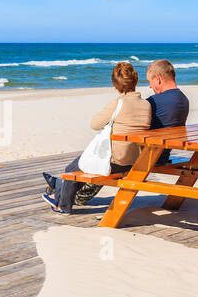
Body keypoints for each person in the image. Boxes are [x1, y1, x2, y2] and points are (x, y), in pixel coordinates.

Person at [42, 61, 151, 214]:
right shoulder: (146, 105)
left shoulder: (117, 104)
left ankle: (61, 203)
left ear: (115, 85)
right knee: (79, 168)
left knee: (72, 169)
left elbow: (94, 124)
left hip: (115, 161)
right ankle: (56, 186)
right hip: (134, 160)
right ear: (136, 81)